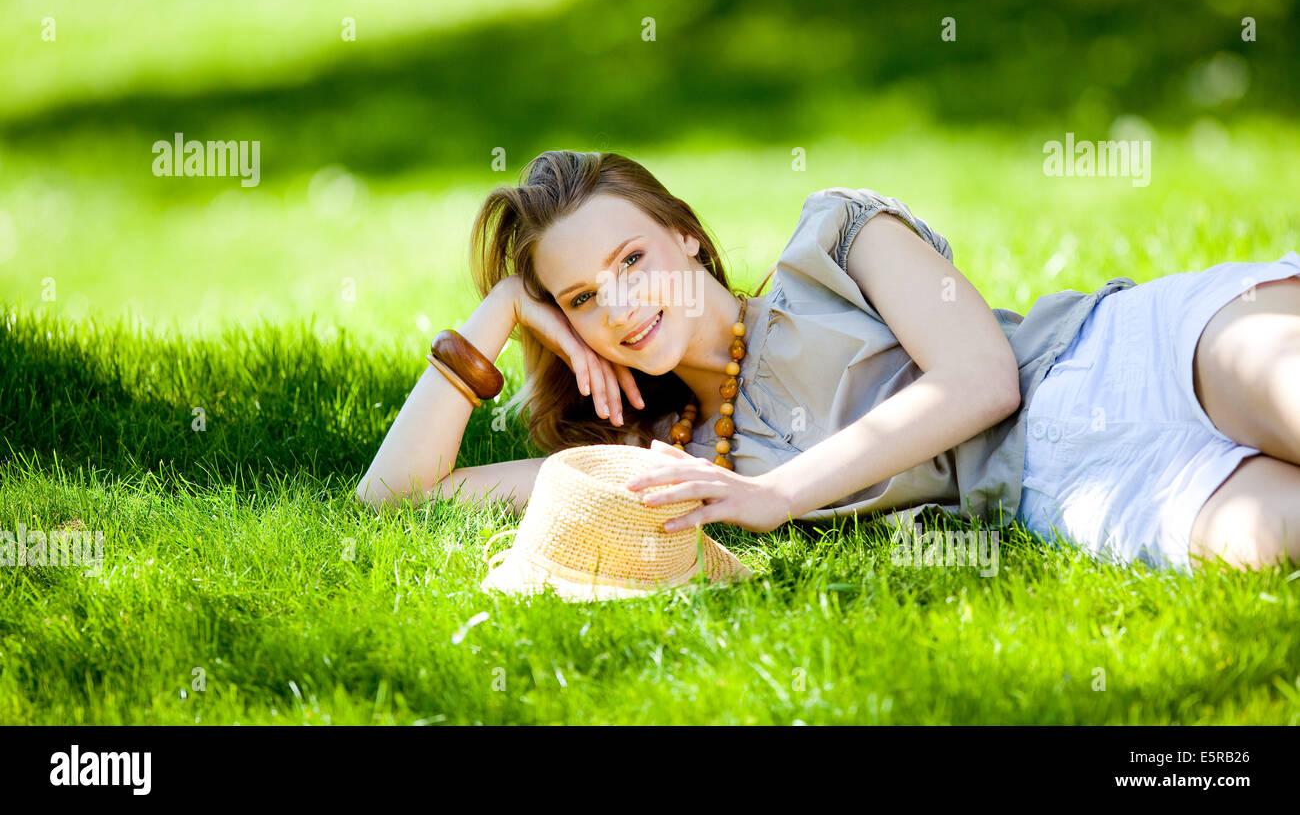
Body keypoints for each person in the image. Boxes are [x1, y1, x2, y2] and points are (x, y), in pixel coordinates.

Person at [356, 149, 1300, 574]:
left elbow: (983, 380)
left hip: (1116, 355)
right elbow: (395, 498)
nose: (622, 305)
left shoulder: (835, 239)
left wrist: (781, 495)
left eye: (632, 261)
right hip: (1064, 492)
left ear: (685, 236)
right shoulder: (664, 460)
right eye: (582, 298)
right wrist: (501, 307)